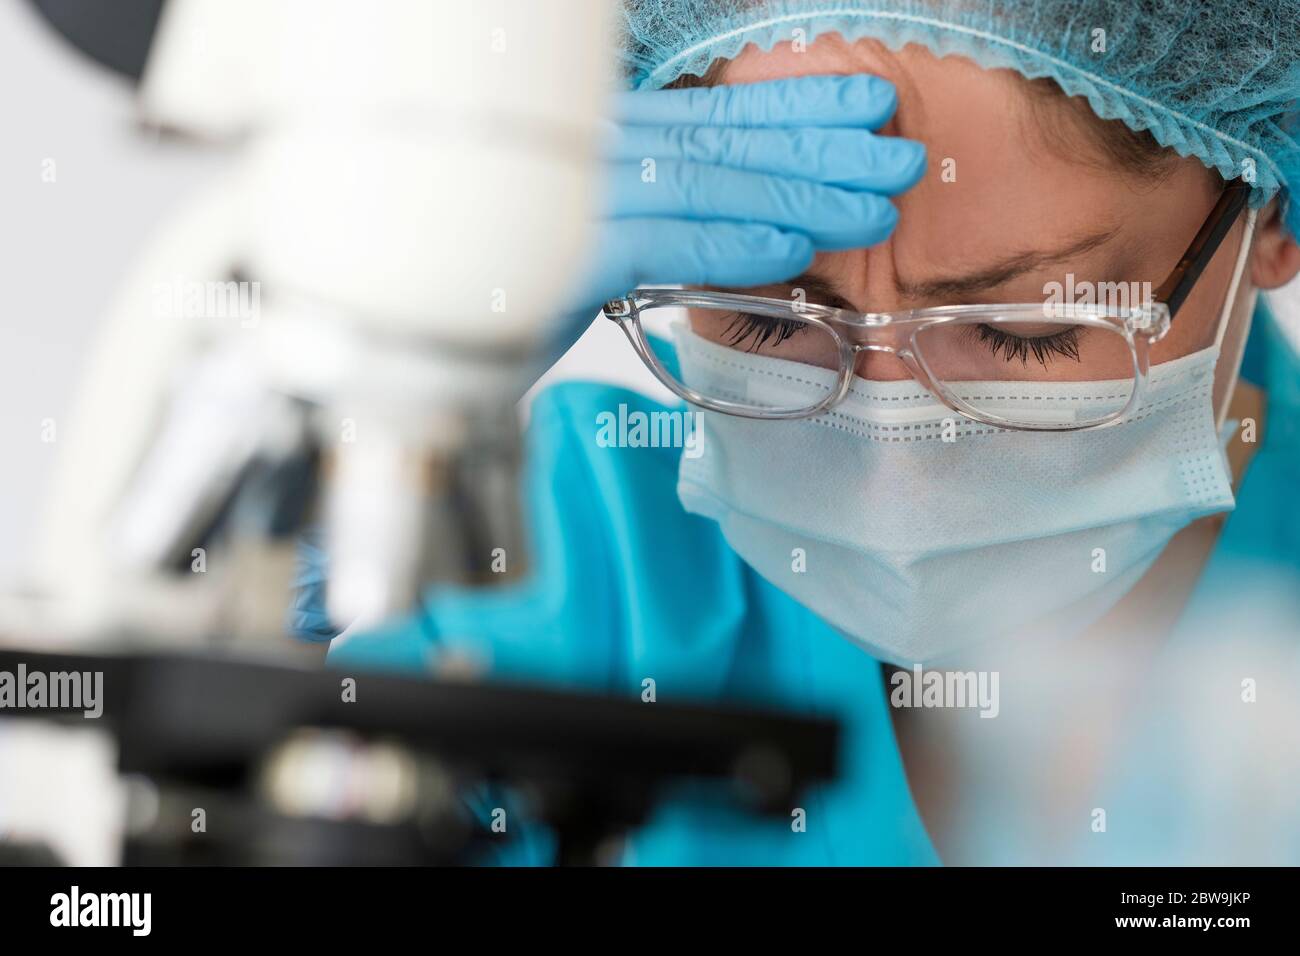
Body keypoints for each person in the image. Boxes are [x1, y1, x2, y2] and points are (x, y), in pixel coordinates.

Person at [294, 1, 1300, 864]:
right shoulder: (579, 551)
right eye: (771, 320)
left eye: (1017, 333)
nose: (891, 460)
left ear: (1271, 216)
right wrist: (344, 430)